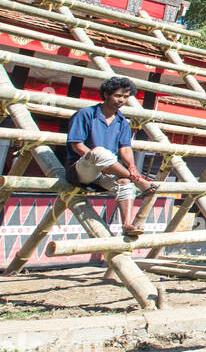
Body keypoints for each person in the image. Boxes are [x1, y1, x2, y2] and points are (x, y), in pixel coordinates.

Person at [65, 77, 158, 237]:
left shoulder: (122, 122)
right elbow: (77, 145)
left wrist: (132, 166)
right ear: (106, 94)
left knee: (125, 183)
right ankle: (139, 180)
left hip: (107, 171)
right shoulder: (85, 114)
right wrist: (95, 157)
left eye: (125, 97)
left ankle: (127, 224)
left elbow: (125, 147)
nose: (121, 100)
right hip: (82, 169)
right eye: (118, 95)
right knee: (99, 152)